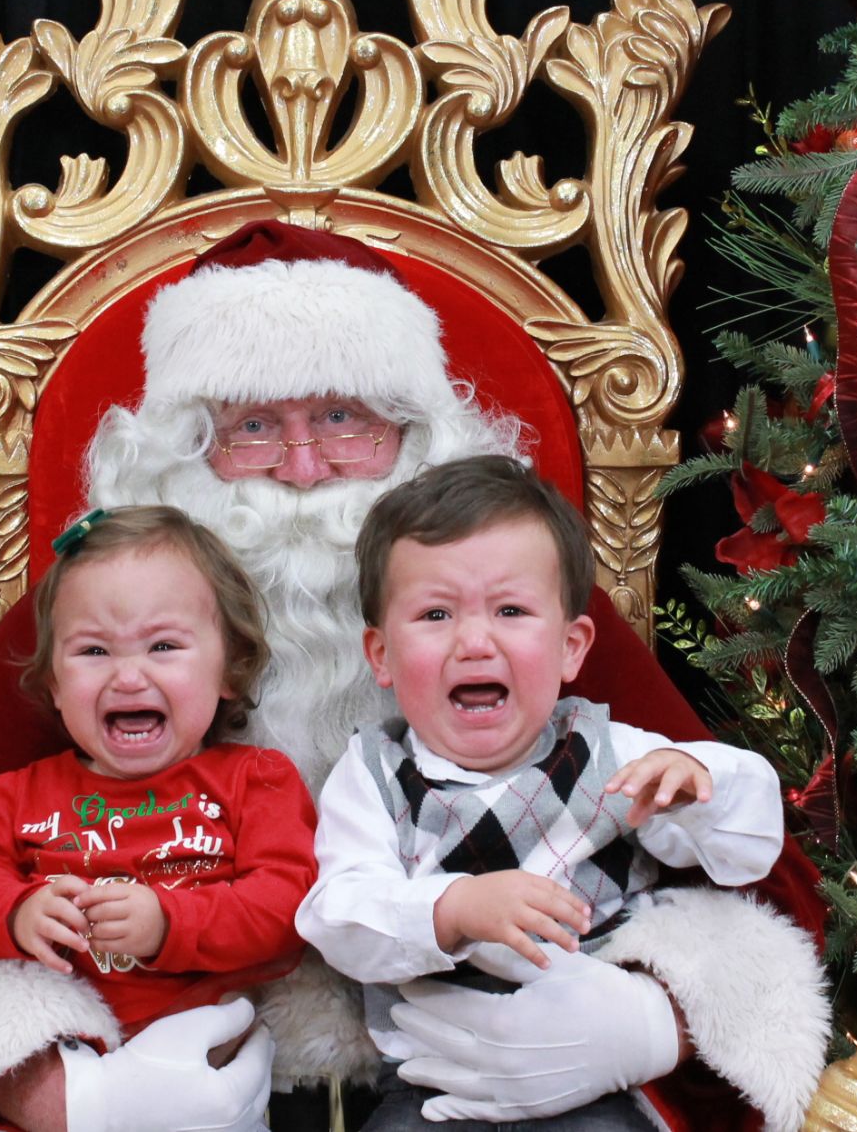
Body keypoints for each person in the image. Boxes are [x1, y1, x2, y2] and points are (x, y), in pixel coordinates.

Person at [0, 222, 831, 1132]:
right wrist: (60, 1094)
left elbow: (757, 863)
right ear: (184, 449)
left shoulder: (507, 600)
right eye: (253, 428)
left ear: (416, 433)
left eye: (346, 419)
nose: (303, 470)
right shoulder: (101, 623)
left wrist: (649, 1019)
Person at [297, 456, 786, 1131]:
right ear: (380, 655)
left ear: (570, 646)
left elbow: (749, 852)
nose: (474, 640)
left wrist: (702, 787)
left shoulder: (612, 752)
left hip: (594, 1080)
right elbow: (339, 916)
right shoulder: (374, 773)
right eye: (435, 613)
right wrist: (453, 905)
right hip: (434, 1084)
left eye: (511, 609)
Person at [0, 506, 317, 1061]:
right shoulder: (16, 793)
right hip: (49, 1046)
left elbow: (288, 907)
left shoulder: (255, 780)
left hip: (195, 1054)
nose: (129, 675)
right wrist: (18, 913)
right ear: (54, 685)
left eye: (163, 647)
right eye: (94, 651)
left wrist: (168, 923)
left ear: (231, 668)